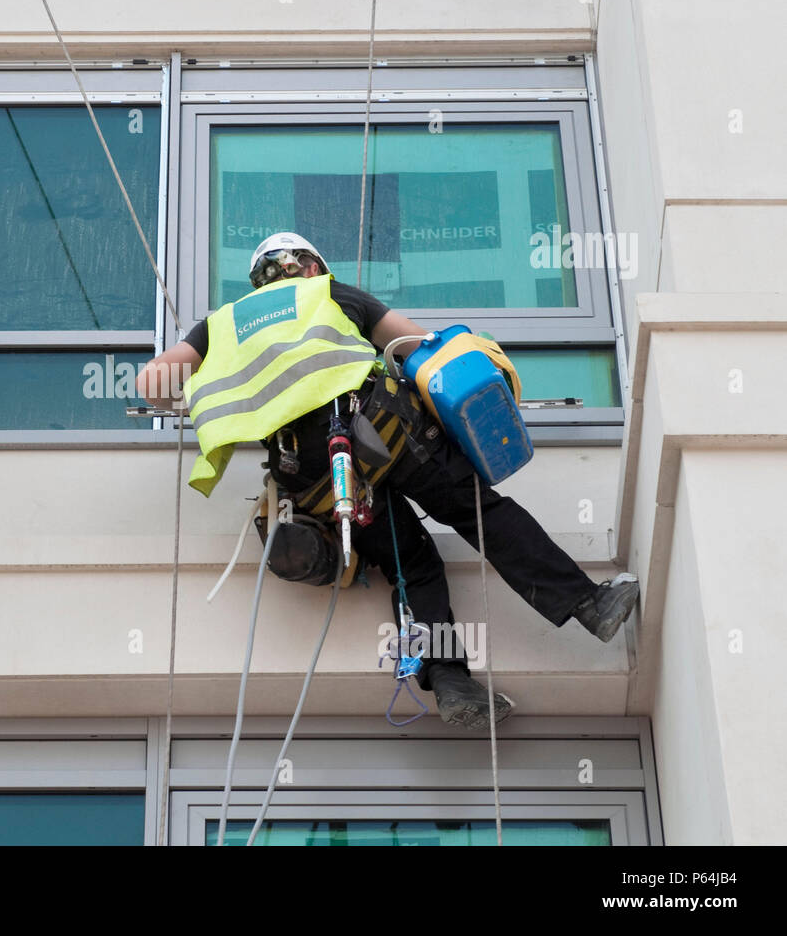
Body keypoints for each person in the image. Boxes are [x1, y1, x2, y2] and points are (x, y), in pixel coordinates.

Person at [136, 231, 639, 729]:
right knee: (480, 514)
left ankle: (449, 680)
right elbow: (420, 347)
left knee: (412, 566)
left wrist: (204, 391)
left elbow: (151, 385)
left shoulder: (220, 327)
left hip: (319, 481)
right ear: (310, 265)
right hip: (384, 432)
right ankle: (588, 604)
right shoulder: (325, 293)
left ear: (258, 279)